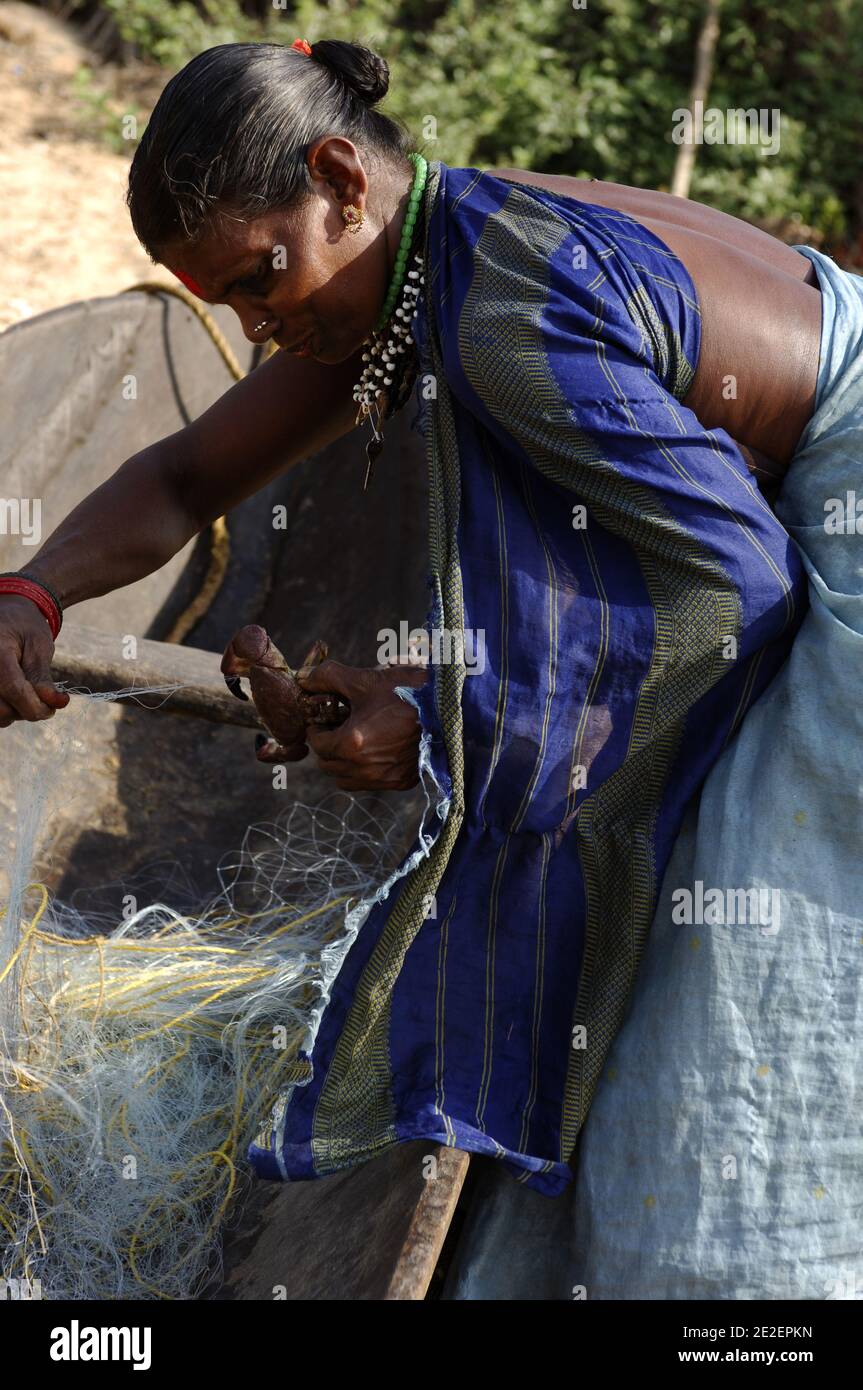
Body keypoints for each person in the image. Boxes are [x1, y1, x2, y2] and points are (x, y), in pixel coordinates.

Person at [0, 39, 837, 1205]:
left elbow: (735, 589)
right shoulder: (412, 261)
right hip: (782, 482)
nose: (251, 329)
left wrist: (451, 727)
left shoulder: (497, 313)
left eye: (258, 278)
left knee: (707, 1051)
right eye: (221, 300)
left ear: (343, 180)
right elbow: (190, 474)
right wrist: (31, 593)